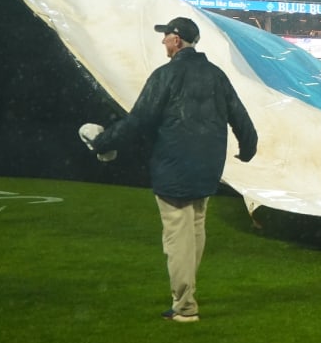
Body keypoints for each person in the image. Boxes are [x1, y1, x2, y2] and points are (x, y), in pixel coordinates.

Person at [79, 16, 258, 323]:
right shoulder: (216, 75)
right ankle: (186, 295)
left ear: (176, 40)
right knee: (195, 228)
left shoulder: (165, 75)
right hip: (208, 165)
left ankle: (185, 307)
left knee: (177, 237)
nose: (162, 41)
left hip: (174, 165)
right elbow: (239, 115)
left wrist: (103, 142)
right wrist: (249, 146)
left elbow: (139, 120)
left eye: (165, 36)